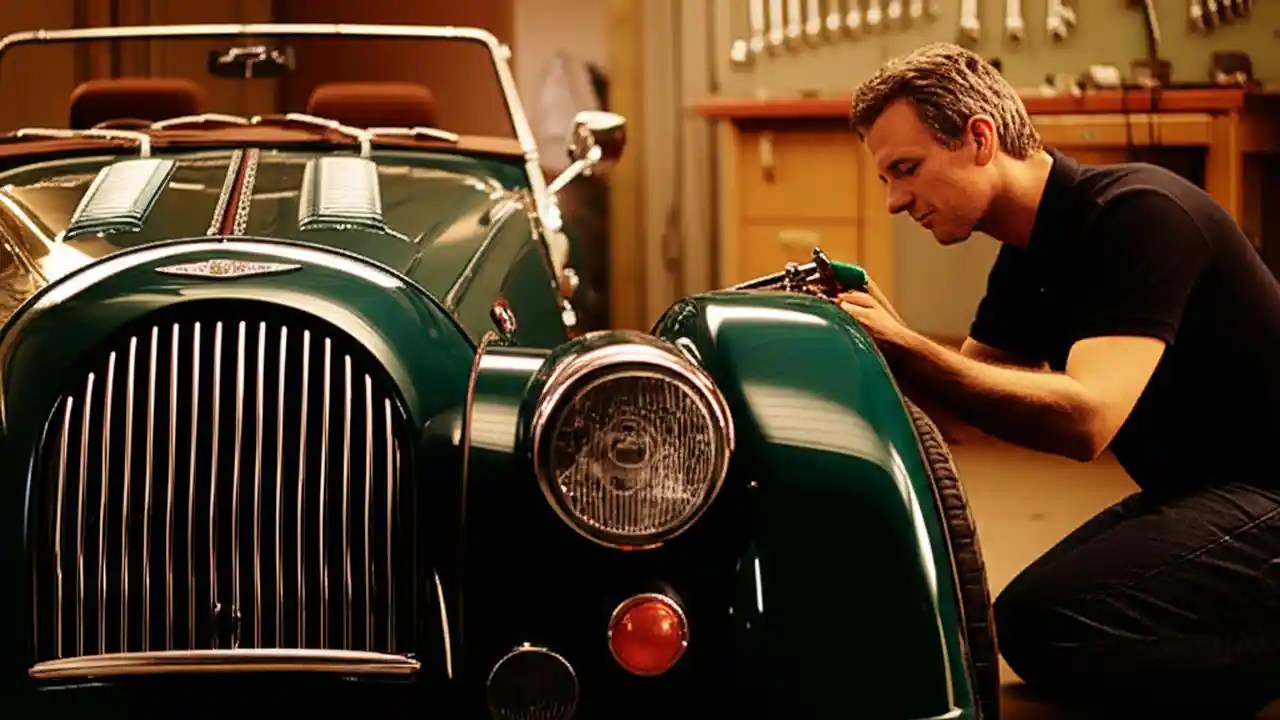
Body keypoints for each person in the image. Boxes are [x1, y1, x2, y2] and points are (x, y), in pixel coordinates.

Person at [841, 42, 1280, 716]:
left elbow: (1087, 420)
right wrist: (867, 337)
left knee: (1064, 626)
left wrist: (905, 344)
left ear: (979, 139)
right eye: (888, 181)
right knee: (1023, 623)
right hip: (1207, 491)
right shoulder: (1025, 259)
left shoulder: (1140, 215)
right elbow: (962, 410)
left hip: (1267, 489)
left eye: (907, 169)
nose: (898, 200)